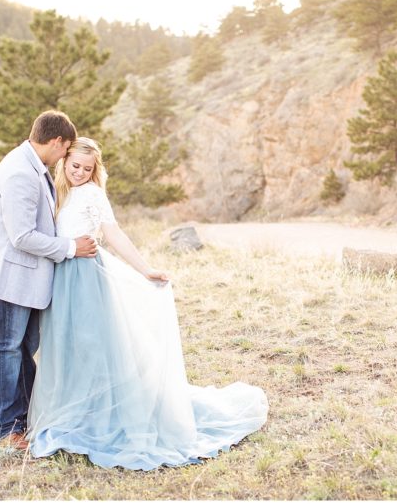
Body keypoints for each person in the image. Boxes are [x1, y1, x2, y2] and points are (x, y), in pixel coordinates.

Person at [27, 137, 268, 470]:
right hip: (61, 278)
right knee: (67, 347)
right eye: (74, 166)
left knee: (94, 345)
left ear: (95, 170)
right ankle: (73, 412)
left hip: (85, 278)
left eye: (87, 168)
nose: (80, 173)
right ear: (63, 161)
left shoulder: (93, 194)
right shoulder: (56, 190)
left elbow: (114, 235)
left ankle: (102, 418)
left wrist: (145, 269)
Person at [0, 111, 98, 450]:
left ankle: (27, 415)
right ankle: (8, 426)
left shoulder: (31, 165)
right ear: (56, 142)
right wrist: (71, 247)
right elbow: (22, 236)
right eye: (66, 149)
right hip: (13, 275)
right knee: (7, 348)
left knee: (25, 347)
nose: (65, 157)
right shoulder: (19, 173)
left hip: (27, 277)